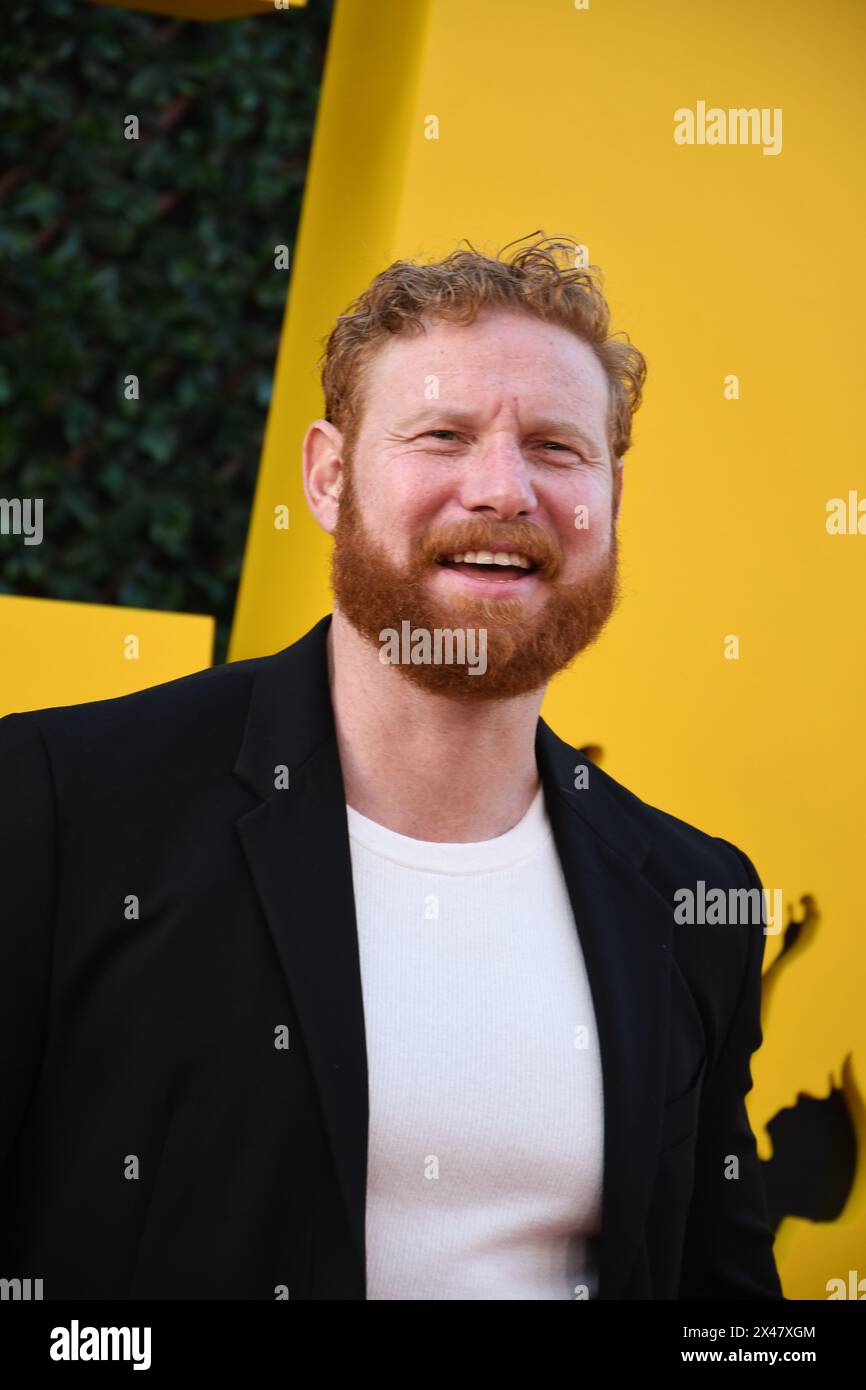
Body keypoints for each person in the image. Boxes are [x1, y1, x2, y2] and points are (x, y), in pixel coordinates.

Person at [0, 235, 783, 1300]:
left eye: (556, 448)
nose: (501, 489)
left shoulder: (693, 894)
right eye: (442, 435)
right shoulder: (60, 804)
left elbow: (723, 1298)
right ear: (328, 476)